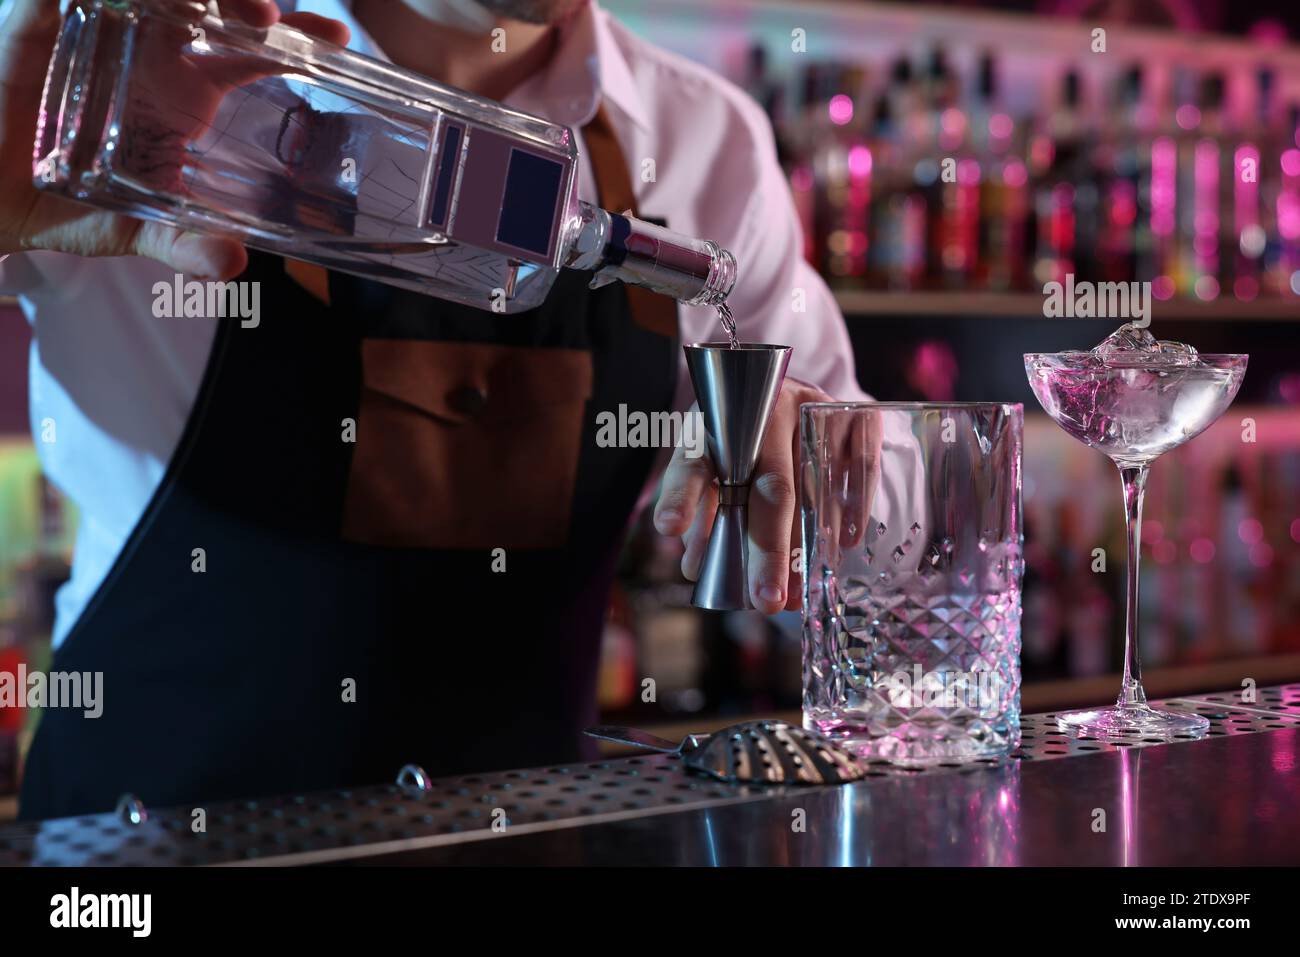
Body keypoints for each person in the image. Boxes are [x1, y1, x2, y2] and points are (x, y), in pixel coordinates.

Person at [0, 0, 865, 820]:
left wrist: (817, 465)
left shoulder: (704, 144)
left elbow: (877, 565)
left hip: (528, 844)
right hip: (145, 847)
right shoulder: (139, 68)